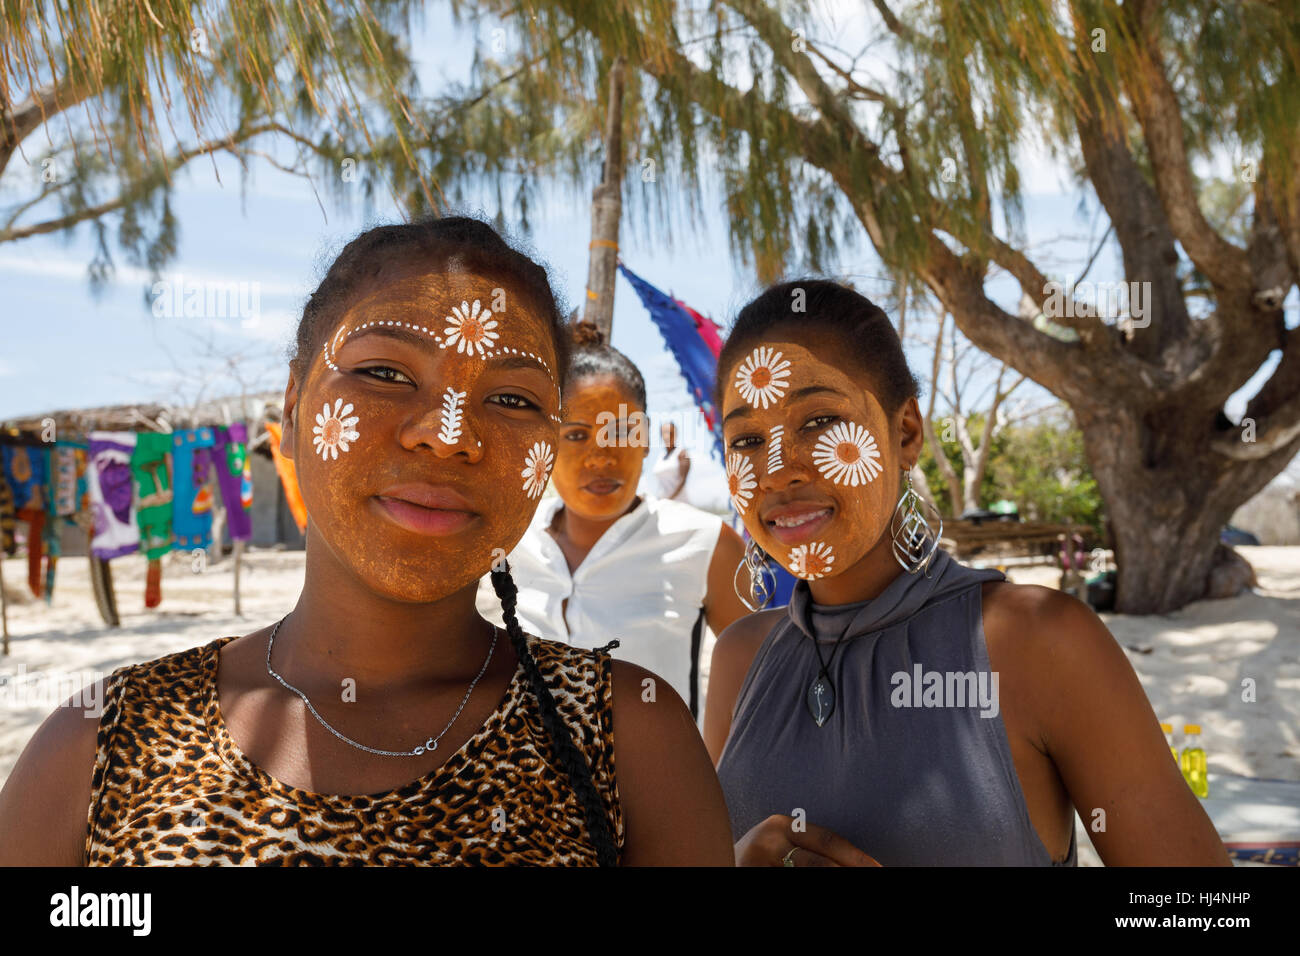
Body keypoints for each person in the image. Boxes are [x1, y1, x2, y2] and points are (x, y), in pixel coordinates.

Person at [0, 216, 733, 867]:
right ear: (292, 406)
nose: (447, 437)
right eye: (385, 373)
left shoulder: (631, 737)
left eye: (511, 398)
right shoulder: (103, 745)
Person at [705, 279, 1230, 867]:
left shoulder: (1036, 641)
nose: (776, 472)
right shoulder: (739, 659)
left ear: (906, 432)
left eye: (819, 422)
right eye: (747, 439)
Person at [477, 321, 749, 718]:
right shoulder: (501, 544)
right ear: (545, 444)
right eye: (575, 434)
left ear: (646, 439)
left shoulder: (707, 544)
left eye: (621, 431)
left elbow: (760, 690)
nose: (601, 456)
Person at [647, 421, 691, 500]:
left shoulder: (682, 453)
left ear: (676, 434)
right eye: (664, 433)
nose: (667, 436)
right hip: (663, 502)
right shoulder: (660, 456)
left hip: (678, 503)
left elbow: (682, 480)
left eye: (670, 433)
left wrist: (669, 499)